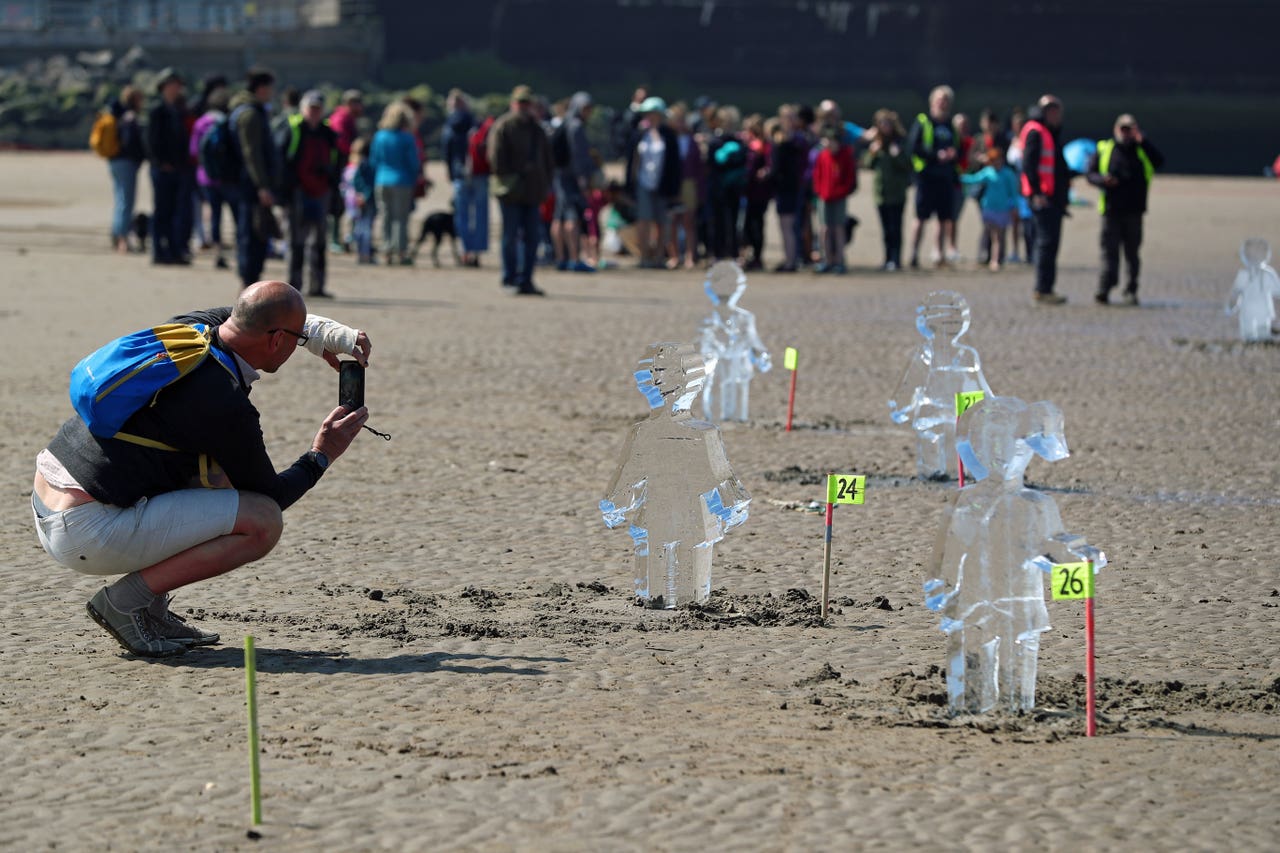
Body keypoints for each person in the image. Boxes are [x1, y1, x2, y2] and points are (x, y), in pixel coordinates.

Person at [31, 281, 372, 658]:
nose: (297, 345)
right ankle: (125, 603)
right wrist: (321, 454)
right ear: (276, 340)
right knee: (262, 521)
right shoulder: (222, 400)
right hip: (85, 531)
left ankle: (151, 609)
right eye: (295, 338)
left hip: (48, 498)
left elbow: (245, 311)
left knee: (215, 478)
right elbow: (270, 496)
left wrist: (322, 335)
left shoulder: (192, 329)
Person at [1085, 114, 1164, 306]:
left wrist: (1143, 141)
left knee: (1132, 254)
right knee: (1108, 253)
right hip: (1111, 210)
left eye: (1130, 129)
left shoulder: (1142, 150)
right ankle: (1104, 288)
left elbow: (1159, 161)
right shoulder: (1104, 148)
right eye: (1123, 129)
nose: (1126, 133)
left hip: (1134, 210)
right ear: (1116, 129)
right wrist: (1103, 181)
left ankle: (1130, 290)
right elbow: (1090, 174)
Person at [488, 84, 554, 295]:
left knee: (532, 237)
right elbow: (496, 159)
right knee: (510, 235)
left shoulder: (537, 129)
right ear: (513, 104)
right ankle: (509, 277)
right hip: (510, 190)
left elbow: (547, 159)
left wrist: (546, 183)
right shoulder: (504, 126)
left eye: (527, 103)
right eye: (521, 103)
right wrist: (516, 172)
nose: (524, 107)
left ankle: (526, 279)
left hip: (533, 191)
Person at [281, 90, 340, 297]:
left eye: (318, 108)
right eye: (311, 108)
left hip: (322, 191)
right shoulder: (292, 128)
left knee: (319, 241)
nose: (314, 112)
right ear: (303, 109)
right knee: (296, 240)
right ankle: (293, 287)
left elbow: (337, 161)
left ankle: (317, 286)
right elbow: (282, 160)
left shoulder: (329, 133)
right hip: (298, 191)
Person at [228, 67, 281, 289]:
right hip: (249, 184)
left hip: (244, 182)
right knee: (252, 233)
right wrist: (262, 186)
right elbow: (252, 153)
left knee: (251, 232)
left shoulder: (243, 110)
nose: (272, 92)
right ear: (261, 88)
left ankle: (249, 278)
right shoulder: (250, 114)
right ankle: (249, 281)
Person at [1020, 94, 1072, 304]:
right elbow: (1029, 165)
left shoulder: (1049, 132)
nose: (1054, 114)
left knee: (1050, 244)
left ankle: (1047, 288)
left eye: (1056, 110)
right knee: (1046, 243)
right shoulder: (1036, 131)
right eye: (1049, 110)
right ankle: (1042, 289)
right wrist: (1036, 193)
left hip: (1053, 198)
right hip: (1043, 198)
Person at [625, 96, 682, 269]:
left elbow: (675, 164)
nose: (649, 116)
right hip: (643, 183)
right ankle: (644, 256)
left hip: (662, 184)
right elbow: (631, 162)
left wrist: (675, 188)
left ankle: (659, 256)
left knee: (661, 221)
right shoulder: (639, 134)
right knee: (644, 219)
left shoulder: (669, 135)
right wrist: (629, 185)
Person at [906, 85, 959, 269]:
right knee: (920, 217)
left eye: (945, 100)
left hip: (944, 178)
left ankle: (938, 253)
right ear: (932, 102)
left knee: (943, 218)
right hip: (926, 177)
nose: (942, 103)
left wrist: (952, 156)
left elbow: (957, 148)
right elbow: (914, 148)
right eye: (939, 100)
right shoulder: (923, 121)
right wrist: (937, 155)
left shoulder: (951, 125)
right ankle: (913, 253)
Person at [146, 68, 193, 266]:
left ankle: (174, 250)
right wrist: (160, 162)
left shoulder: (179, 110)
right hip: (162, 169)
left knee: (176, 211)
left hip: (178, 168)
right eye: (173, 84)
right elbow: (150, 140)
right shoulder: (157, 110)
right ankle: (158, 250)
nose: (176, 88)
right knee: (161, 211)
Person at [369, 100, 421, 267]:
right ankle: (401, 251)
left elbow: (373, 160)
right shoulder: (407, 138)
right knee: (401, 218)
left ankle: (386, 250)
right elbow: (413, 163)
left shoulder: (379, 136)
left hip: (382, 179)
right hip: (402, 180)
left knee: (385, 216)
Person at [551, 91, 597, 272]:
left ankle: (561, 258)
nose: (589, 112)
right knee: (572, 218)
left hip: (559, 175)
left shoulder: (564, 122)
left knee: (558, 217)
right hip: (571, 177)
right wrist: (583, 179)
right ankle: (574, 258)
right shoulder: (576, 126)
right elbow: (578, 156)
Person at [862, 108, 912, 271]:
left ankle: (896, 259)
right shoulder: (876, 144)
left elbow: (907, 166)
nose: (885, 127)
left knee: (895, 227)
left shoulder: (900, 142)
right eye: (882, 124)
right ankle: (887, 258)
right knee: (885, 229)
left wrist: (897, 155)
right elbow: (867, 164)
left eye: (887, 124)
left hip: (897, 193)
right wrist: (872, 153)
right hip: (880, 193)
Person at [189, 87, 234, 269]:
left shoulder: (201, 123)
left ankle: (217, 249)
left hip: (206, 177)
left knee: (214, 214)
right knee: (234, 214)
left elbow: (193, 150)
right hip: (228, 177)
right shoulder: (228, 122)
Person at [959, 146, 1020, 271]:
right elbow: (974, 179)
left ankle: (997, 259)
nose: (996, 163)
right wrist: (959, 177)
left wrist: (1014, 206)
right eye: (993, 161)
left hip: (1002, 209)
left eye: (997, 160)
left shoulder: (1008, 174)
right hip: (989, 208)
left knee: (1000, 236)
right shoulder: (988, 172)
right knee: (994, 235)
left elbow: (1013, 192)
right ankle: (994, 260)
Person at [440, 89, 482, 267]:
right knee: (479, 214)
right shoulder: (475, 122)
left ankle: (465, 250)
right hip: (479, 172)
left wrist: (449, 169)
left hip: (459, 172)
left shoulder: (450, 124)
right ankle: (477, 251)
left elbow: (446, 148)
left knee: (462, 214)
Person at [105, 85, 146, 254]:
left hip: (114, 161)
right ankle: (123, 239)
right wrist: (141, 155)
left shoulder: (119, 115)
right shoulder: (130, 117)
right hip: (126, 162)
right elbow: (130, 142)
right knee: (126, 201)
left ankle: (116, 235)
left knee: (120, 199)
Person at [811, 125, 855, 274]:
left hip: (839, 197)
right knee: (825, 229)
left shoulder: (845, 156)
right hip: (824, 197)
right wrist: (819, 191)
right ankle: (827, 260)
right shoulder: (823, 155)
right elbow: (817, 175)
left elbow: (849, 178)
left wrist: (842, 191)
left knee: (838, 228)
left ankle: (840, 261)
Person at [326, 89, 364, 252]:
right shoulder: (342, 119)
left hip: (340, 167)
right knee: (337, 205)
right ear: (350, 104)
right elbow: (341, 143)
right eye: (358, 104)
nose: (360, 108)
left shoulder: (344, 118)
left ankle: (339, 238)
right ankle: (334, 239)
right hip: (338, 168)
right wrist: (354, 153)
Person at [770, 104, 806, 272]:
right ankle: (789, 258)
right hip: (783, 187)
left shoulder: (797, 140)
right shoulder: (782, 138)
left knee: (788, 225)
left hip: (791, 187)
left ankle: (791, 260)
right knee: (785, 225)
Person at [342, 137, 377, 264]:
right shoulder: (368, 164)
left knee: (357, 226)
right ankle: (365, 254)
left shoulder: (351, 166)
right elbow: (369, 183)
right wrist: (365, 196)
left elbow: (347, 183)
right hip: (365, 200)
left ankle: (356, 248)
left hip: (352, 199)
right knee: (366, 228)